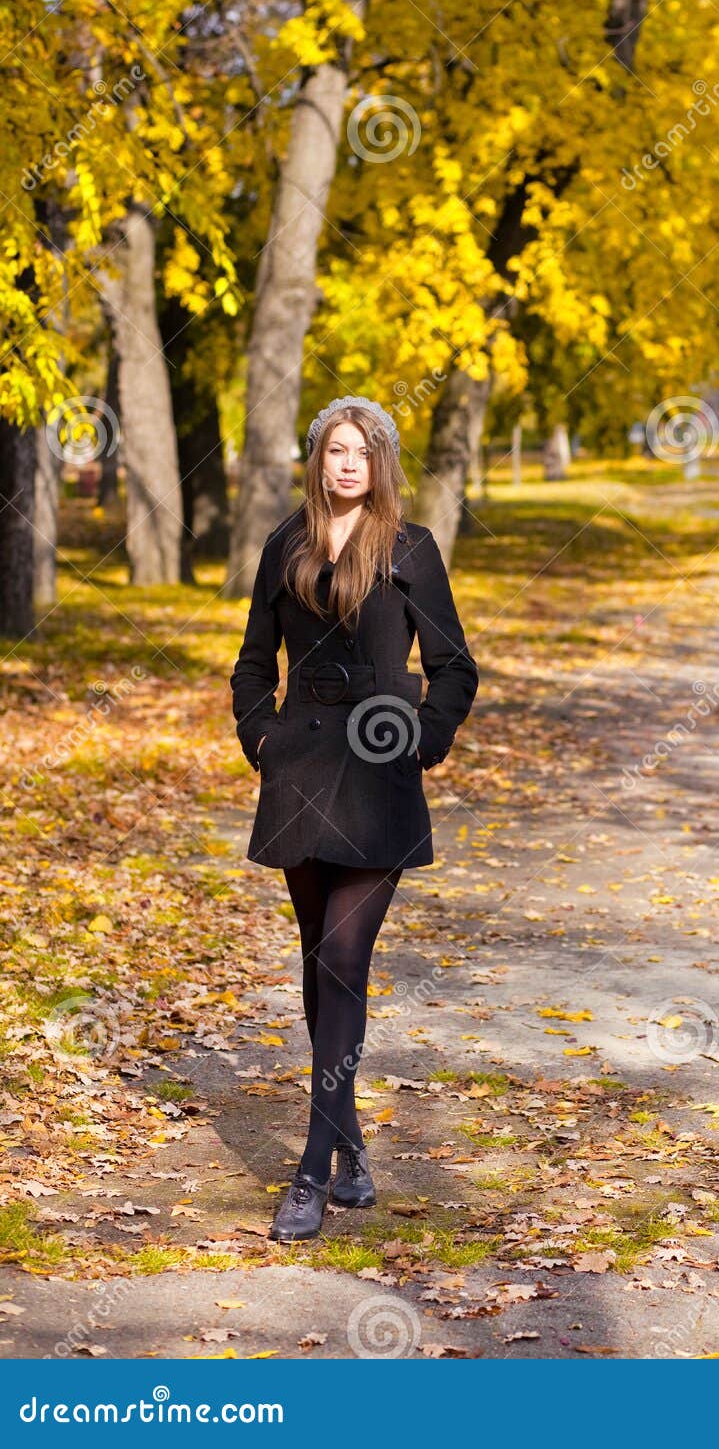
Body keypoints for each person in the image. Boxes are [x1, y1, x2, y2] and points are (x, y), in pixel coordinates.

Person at [229, 396, 479, 1241]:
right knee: (319, 963)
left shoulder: (411, 550)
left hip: (379, 775)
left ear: (381, 464)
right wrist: (258, 735)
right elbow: (251, 662)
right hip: (297, 769)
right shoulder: (284, 545)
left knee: (342, 956)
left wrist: (424, 741)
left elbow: (454, 667)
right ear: (317, 459)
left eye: (361, 452)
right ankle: (350, 1146)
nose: (347, 465)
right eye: (335, 450)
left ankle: (307, 1170)